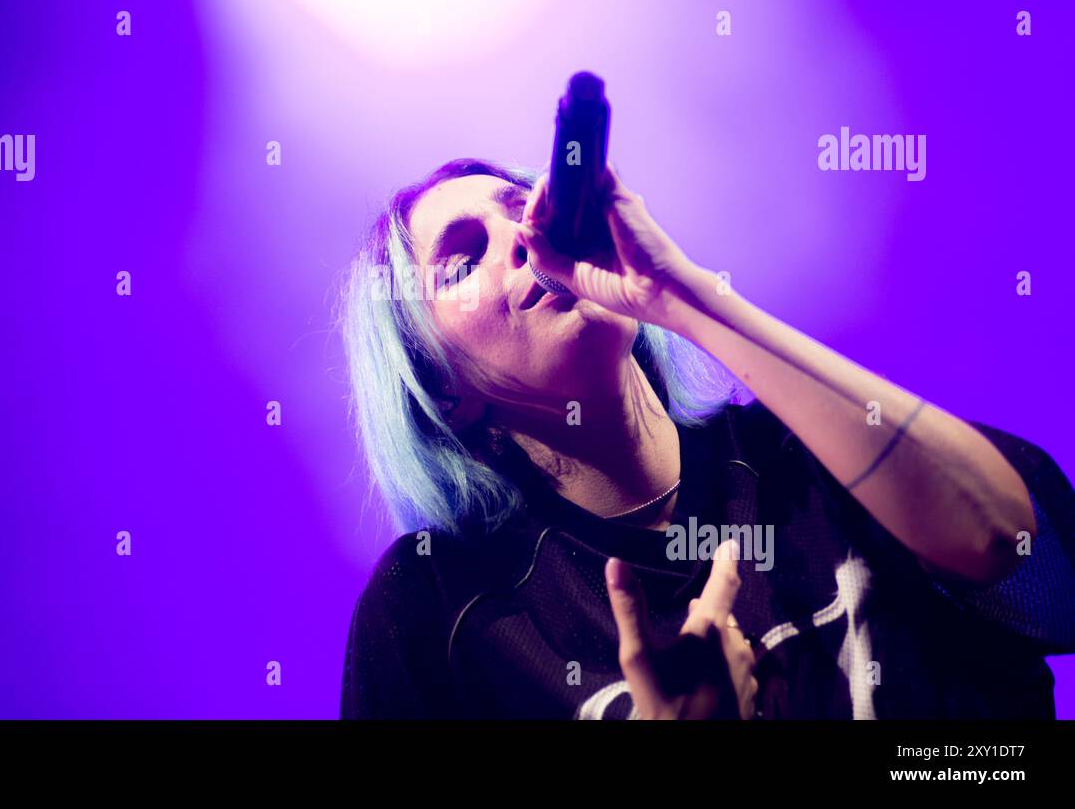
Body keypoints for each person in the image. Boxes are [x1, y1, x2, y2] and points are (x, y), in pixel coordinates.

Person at [338, 157, 1075, 719]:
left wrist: (680, 296)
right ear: (439, 389)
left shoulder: (816, 453)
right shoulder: (438, 615)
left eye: (520, 210)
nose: (521, 242)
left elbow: (1043, 577)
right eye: (464, 261)